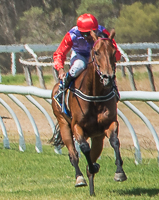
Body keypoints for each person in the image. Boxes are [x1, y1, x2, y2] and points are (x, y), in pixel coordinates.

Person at [49, 13, 124, 145]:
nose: (89, 37)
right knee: (80, 66)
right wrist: (60, 69)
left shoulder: (103, 32)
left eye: (92, 33)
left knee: (104, 70)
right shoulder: (72, 35)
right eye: (85, 35)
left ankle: (113, 89)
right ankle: (63, 88)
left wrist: (111, 57)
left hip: (98, 56)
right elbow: (59, 53)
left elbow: (115, 52)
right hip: (81, 56)